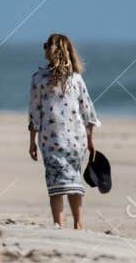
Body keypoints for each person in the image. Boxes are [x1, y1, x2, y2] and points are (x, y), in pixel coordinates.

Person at [27, 33, 100, 229]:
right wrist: (90, 140)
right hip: (75, 140)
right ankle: (77, 223)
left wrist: (32, 142)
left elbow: (34, 113)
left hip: (52, 140)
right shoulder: (75, 79)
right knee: (73, 179)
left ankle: (60, 225)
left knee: (56, 183)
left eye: (46, 45)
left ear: (54, 50)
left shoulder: (39, 79)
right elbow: (88, 112)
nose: (44, 48)